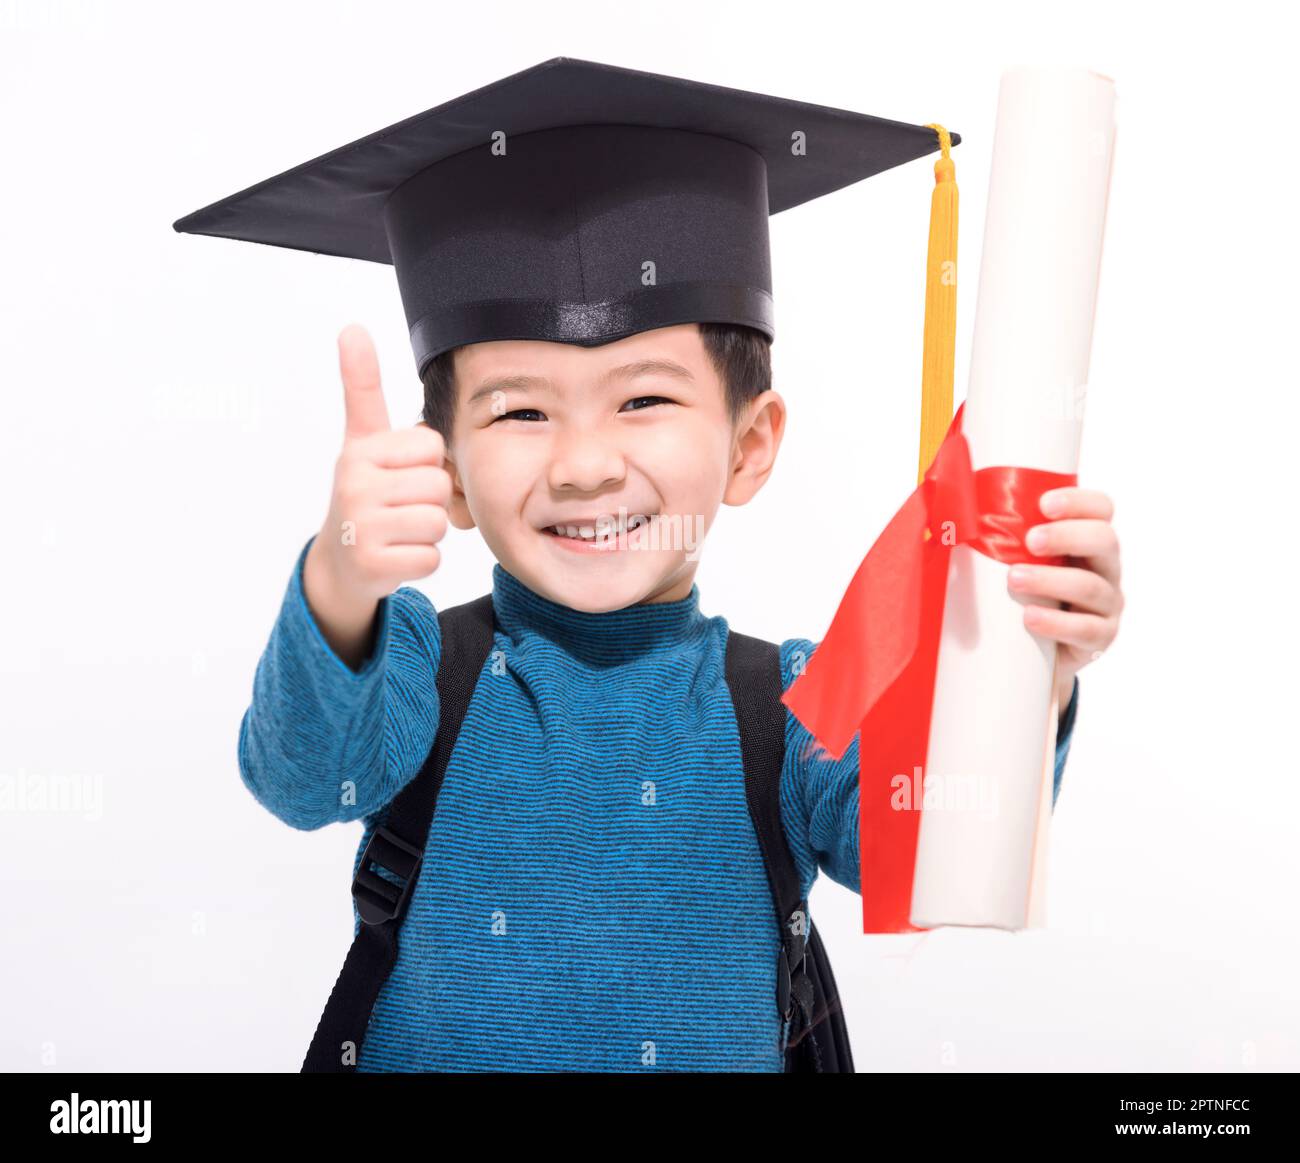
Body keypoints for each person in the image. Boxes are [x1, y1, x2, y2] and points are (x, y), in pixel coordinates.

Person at [178, 58, 1124, 1071]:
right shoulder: (411, 665)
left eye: (643, 400)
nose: (584, 465)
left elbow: (924, 846)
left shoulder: (793, 703)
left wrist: (1036, 669)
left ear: (751, 444)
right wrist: (340, 577)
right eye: (521, 411)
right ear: (445, 468)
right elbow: (302, 774)